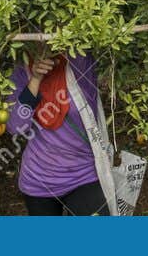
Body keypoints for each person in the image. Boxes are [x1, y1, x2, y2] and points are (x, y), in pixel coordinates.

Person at [6, 52, 109, 215]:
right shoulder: (23, 70)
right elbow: (17, 126)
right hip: (38, 180)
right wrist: (35, 79)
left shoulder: (79, 64)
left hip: (83, 175)